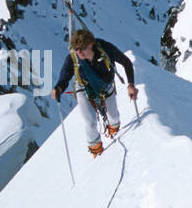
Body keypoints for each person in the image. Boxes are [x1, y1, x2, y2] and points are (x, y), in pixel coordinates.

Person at [51, 28, 138, 157]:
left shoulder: (105, 49)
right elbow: (66, 74)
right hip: (84, 87)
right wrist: (58, 88)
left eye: (82, 48)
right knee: (90, 121)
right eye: (76, 49)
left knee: (114, 117)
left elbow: (126, 62)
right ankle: (96, 152)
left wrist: (130, 84)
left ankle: (116, 132)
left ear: (91, 44)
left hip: (105, 86)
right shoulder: (73, 57)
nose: (79, 52)